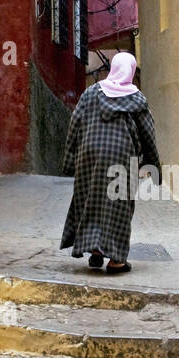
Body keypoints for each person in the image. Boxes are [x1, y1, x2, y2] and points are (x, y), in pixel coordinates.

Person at [60, 52, 161, 274]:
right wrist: (153, 165)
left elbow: (75, 123)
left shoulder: (91, 93)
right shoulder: (136, 99)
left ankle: (95, 250)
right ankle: (116, 260)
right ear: (132, 71)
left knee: (91, 200)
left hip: (89, 156)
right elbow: (148, 133)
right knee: (118, 206)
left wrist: (70, 161)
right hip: (122, 158)